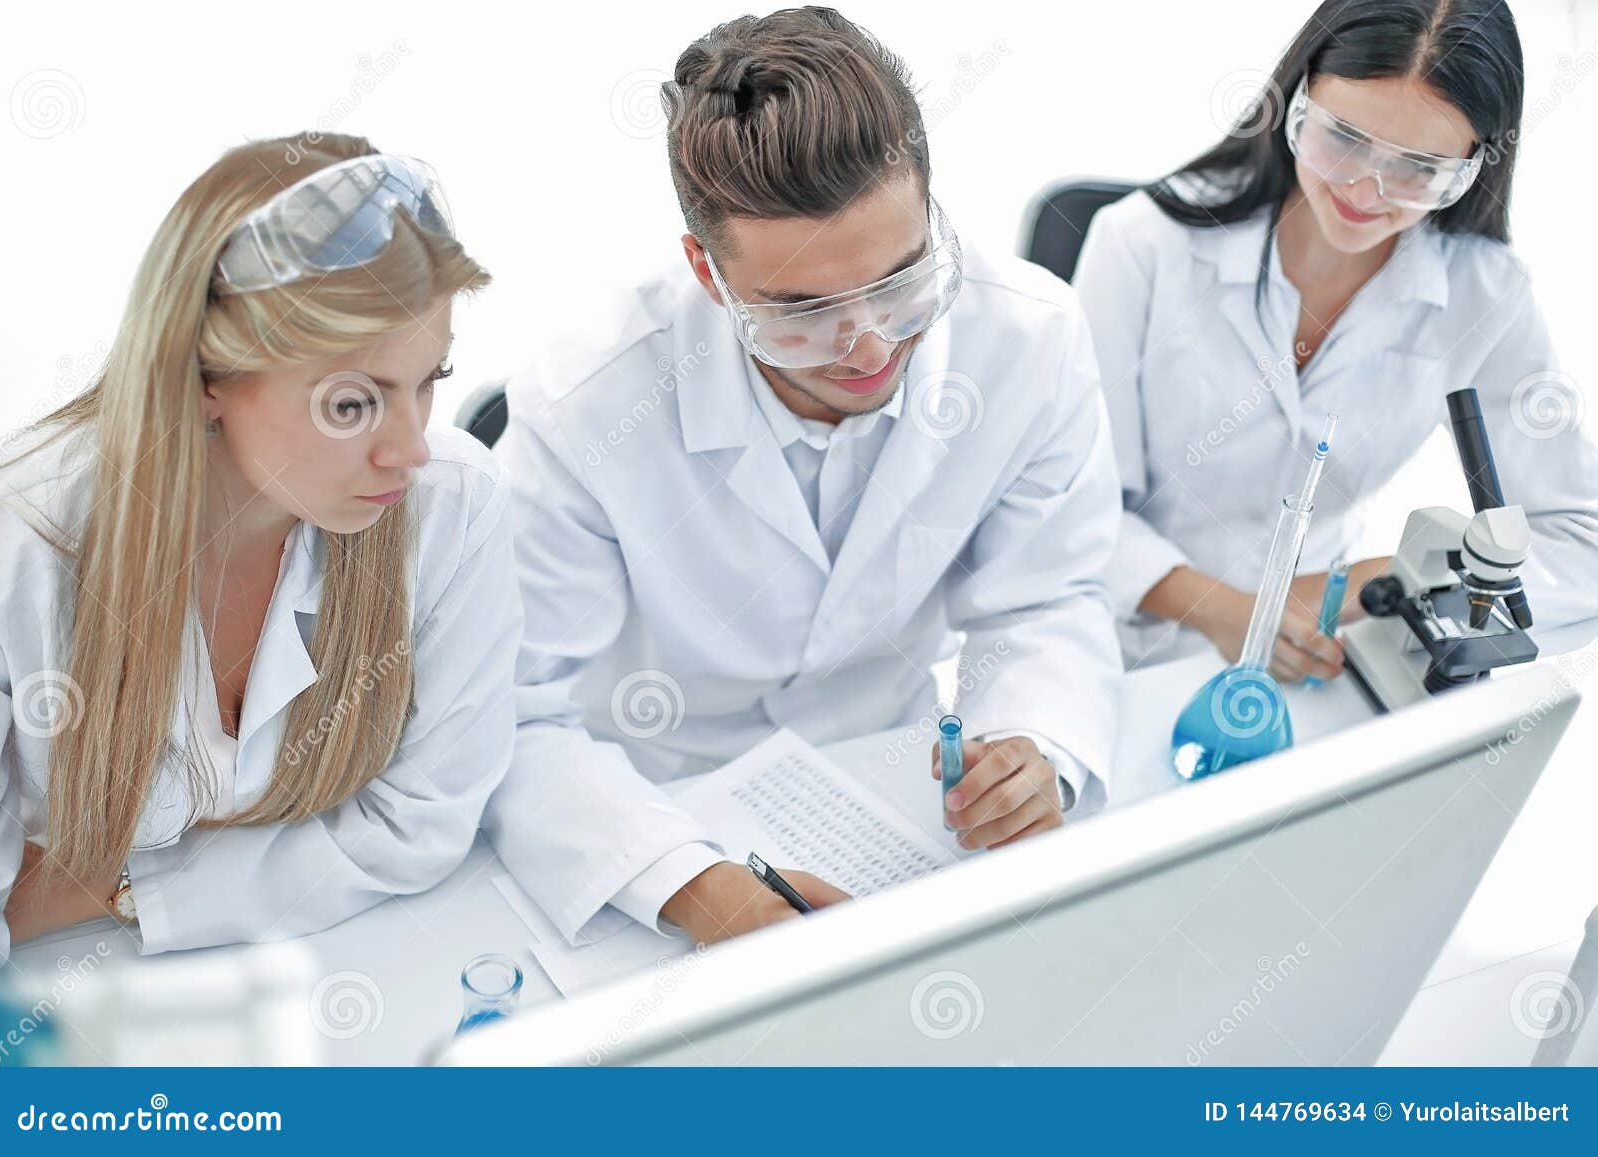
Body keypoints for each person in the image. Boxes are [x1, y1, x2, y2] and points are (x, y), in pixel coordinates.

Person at [488, 6, 1123, 947]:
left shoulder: (1031, 336)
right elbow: (512, 711)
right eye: (801, 309)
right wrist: (694, 886)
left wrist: (1036, 742)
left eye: (901, 279)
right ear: (707, 271)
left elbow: (1050, 597)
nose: (868, 345)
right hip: (652, 802)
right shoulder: (586, 399)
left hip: (900, 783)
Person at [0, 135, 519, 964]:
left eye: (429, 380)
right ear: (207, 375)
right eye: (353, 402)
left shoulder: (450, 504)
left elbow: (421, 822)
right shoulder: (21, 542)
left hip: (324, 966)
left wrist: (108, 885)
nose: (411, 448)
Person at [1074, 0, 1598, 675]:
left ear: (1472, 167)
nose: (1365, 189)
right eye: (1343, 136)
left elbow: (1584, 541)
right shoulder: (1142, 245)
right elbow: (1064, 506)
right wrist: (1218, 607)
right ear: (1296, 100)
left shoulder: (1484, 293)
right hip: (1116, 644)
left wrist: (1374, 580)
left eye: (1419, 167)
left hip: (1323, 649)